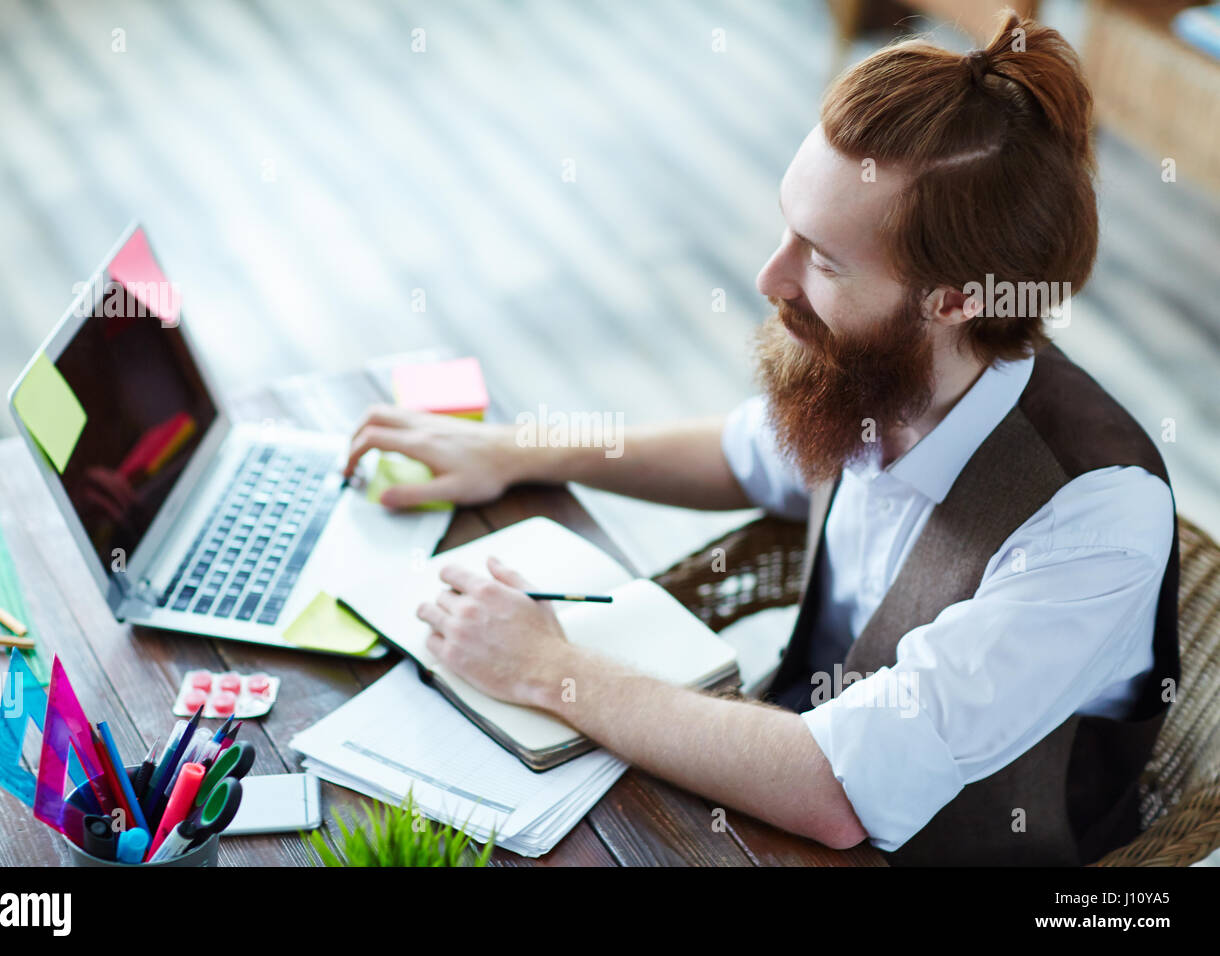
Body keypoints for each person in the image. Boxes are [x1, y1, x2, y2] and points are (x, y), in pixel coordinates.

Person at [343, 11, 1178, 866]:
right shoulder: (888, 372)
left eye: (822, 259)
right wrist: (518, 451)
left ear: (956, 299)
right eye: (787, 228)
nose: (768, 278)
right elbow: (747, 452)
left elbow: (837, 791)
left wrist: (546, 670)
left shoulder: (1096, 520)